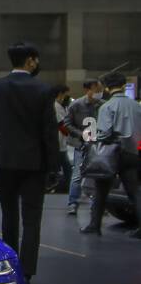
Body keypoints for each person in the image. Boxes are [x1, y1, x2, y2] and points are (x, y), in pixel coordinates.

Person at [0, 42, 58, 284]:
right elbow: (49, 132)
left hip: (5, 161)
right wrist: (54, 166)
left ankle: (10, 264)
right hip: (35, 163)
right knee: (32, 218)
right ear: (31, 61)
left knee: (8, 215)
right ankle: (28, 271)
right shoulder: (43, 90)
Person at [82, 72, 141, 239]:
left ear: (107, 88)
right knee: (134, 192)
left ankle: (94, 226)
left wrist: (94, 139)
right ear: (123, 86)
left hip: (111, 154)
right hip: (132, 153)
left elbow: (104, 133)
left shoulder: (106, 107)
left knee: (100, 191)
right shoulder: (137, 106)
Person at [64, 79, 102, 215]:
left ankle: (98, 205)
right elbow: (67, 124)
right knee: (77, 176)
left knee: (98, 176)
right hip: (81, 145)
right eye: (96, 90)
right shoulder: (76, 105)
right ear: (87, 90)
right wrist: (81, 135)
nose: (99, 93)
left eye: (100, 90)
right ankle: (72, 203)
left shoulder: (102, 105)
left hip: (98, 146)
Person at [52, 84, 73, 193]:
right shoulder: (55, 106)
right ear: (60, 94)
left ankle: (64, 187)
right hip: (58, 143)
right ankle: (68, 189)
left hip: (60, 143)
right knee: (67, 168)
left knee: (64, 167)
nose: (67, 97)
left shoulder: (59, 106)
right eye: (66, 94)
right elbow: (62, 125)